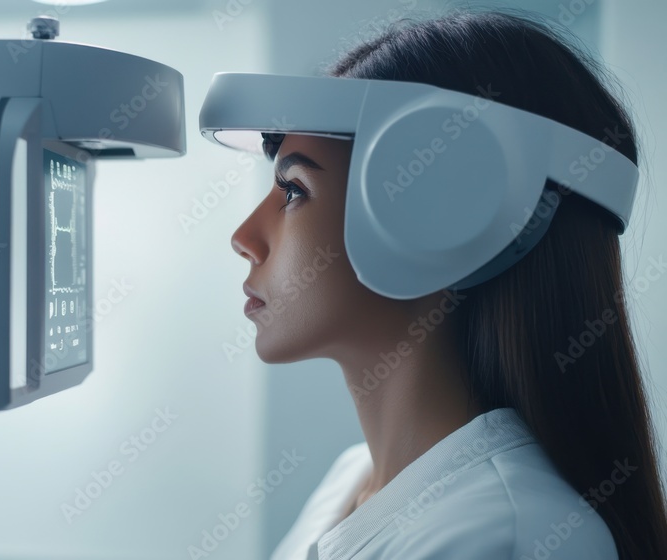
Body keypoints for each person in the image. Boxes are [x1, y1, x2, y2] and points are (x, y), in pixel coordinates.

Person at [227, 10, 667, 560]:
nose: (243, 237)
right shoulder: (353, 480)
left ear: (443, 218)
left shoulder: (507, 536)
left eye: (293, 190)